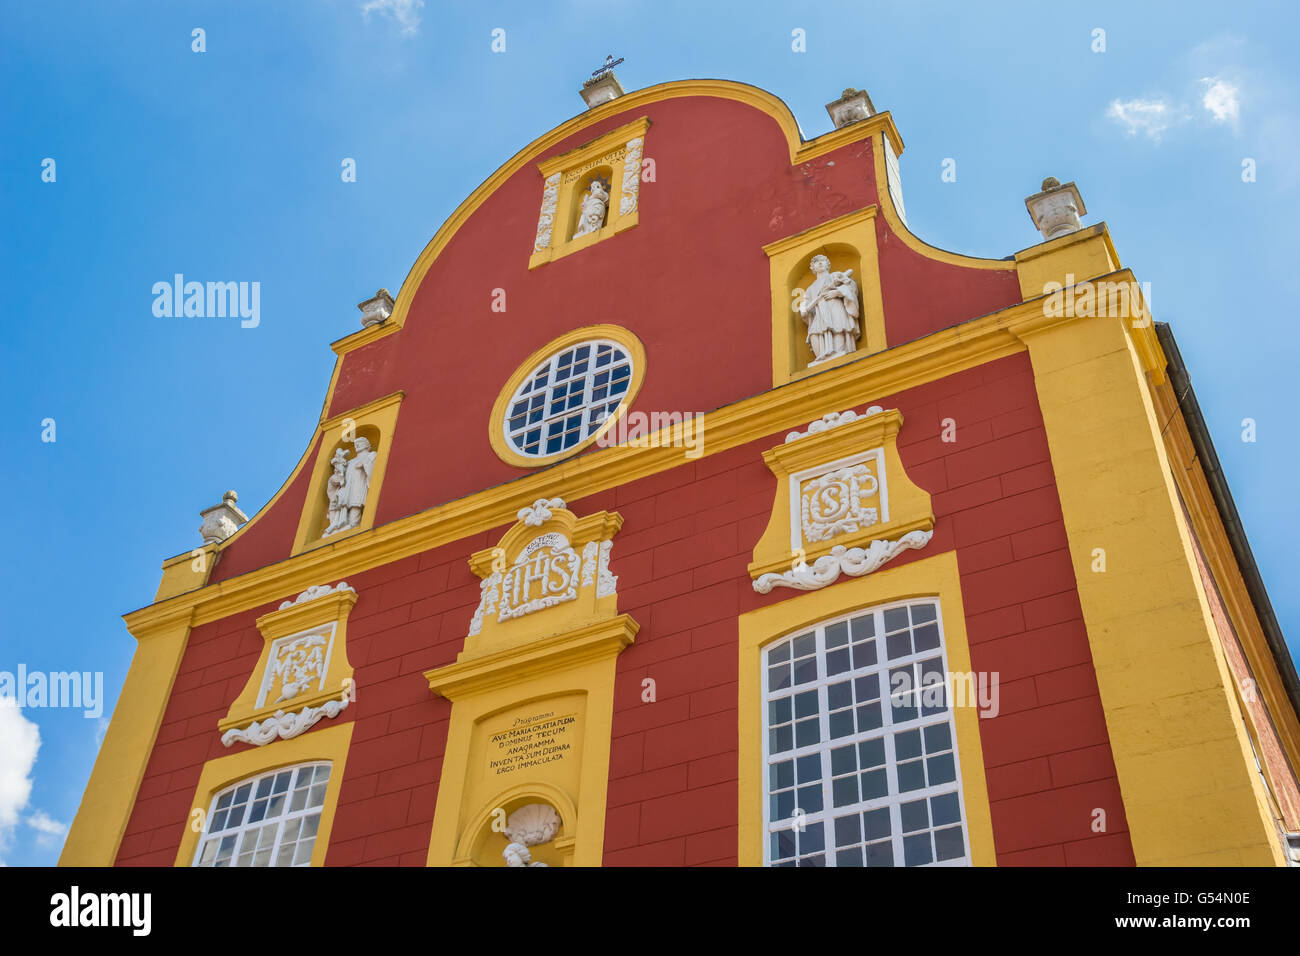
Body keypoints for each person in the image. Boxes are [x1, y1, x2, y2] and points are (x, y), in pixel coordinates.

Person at [795, 255, 861, 364]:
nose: (820, 263)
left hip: (834, 307)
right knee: (814, 334)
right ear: (812, 268)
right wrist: (803, 311)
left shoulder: (835, 276)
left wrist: (837, 292)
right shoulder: (810, 288)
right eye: (816, 262)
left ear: (827, 265)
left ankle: (838, 353)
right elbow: (805, 302)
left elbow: (850, 286)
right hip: (819, 313)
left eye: (822, 261)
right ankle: (822, 357)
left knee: (837, 328)